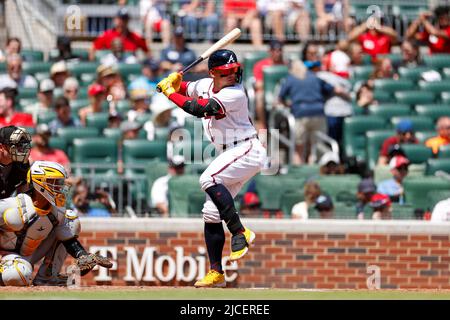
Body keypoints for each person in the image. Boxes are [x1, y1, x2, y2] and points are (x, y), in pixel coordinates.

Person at [156, 49, 267, 288]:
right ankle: (216, 272)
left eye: (234, 71)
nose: (232, 75)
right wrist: (176, 82)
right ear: (213, 73)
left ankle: (240, 232)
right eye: (226, 72)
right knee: (211, 212)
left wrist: (169, 93)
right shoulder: (206, 84)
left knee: (208, 178)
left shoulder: (235, 93)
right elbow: (189, 89)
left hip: (247, 147)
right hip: (230, 152)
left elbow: (198, 109)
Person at [0, 161, 113, 286]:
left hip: (30, 254)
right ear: (39, 182)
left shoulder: (57, 211)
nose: (60, 187)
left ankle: (47, 277)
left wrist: (83, 256)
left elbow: (68, 239)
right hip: (6, 256)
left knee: (70, 220)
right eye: (54, 182)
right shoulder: (11, 206)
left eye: (60, 182)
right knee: (17, 275)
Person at [278, 59, 348, 164]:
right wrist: (347, 96)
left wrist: (287, 104)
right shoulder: (314, 77)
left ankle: (299, 174)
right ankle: (313, 171)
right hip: (318, 112)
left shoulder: (290, 79)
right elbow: (333, 89)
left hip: (300, 113)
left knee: (299, 149)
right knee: (315, 148)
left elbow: (281, 97)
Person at [253, 40, 286, 130]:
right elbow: (258, 84)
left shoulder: (287, 65)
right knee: (259, 96)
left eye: (279, 50)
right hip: (268, 93)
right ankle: (262, 124)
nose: (277, 53)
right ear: (269, 51)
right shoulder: (261, 65)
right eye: (274, 50)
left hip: (284, 94)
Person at [0, 125, 31, 198]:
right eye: (16, 145)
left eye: (21, 145)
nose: (20, 149)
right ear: (1, 147)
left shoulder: (22, 163)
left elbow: (23, 197)